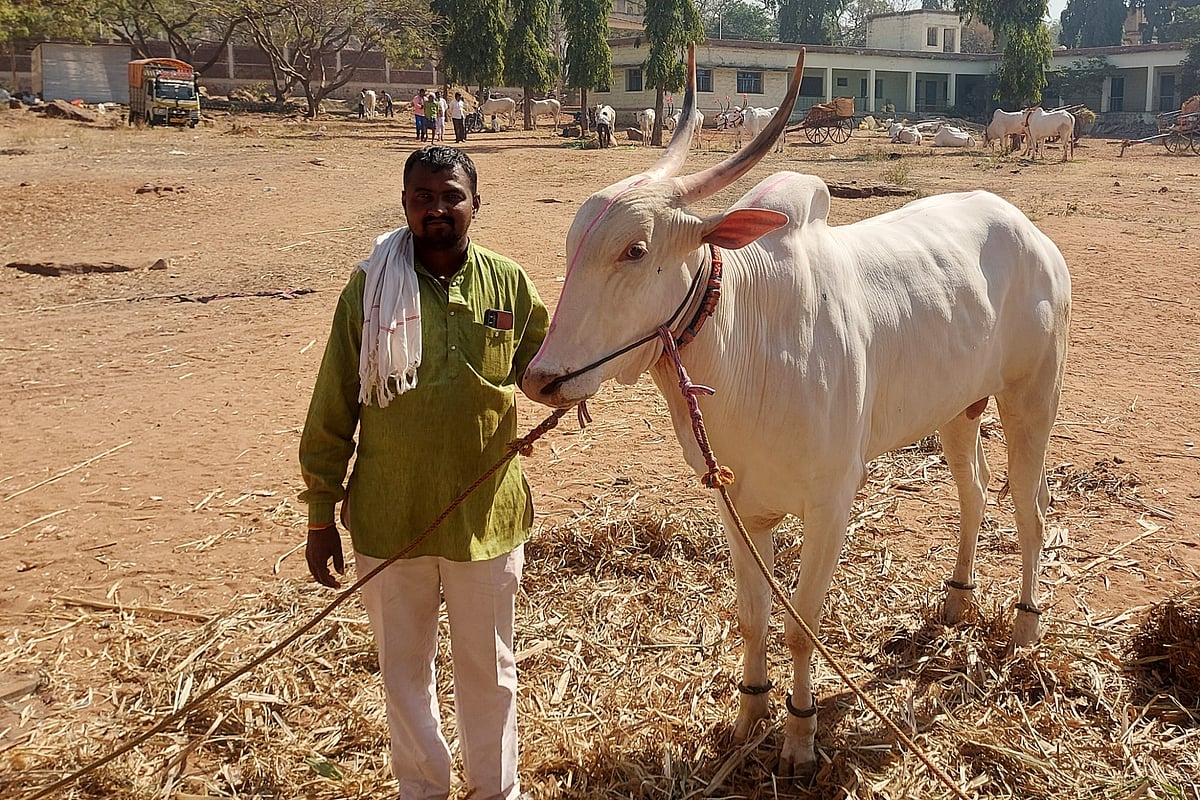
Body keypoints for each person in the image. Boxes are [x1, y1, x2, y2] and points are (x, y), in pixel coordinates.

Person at [299, 145, 549, 800]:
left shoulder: (509, 284)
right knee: (404, 675)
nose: (435, 209)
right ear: (405, 204)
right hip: (391, 519)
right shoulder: (369, 288)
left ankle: (497, 793)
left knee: (489, 674)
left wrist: (573, 385)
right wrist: (320, 514)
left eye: (450, 196)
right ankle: (423, 791)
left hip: (485, 519)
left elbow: (548, 365)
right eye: (421, 197)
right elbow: (333, 406)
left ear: (475, 203)